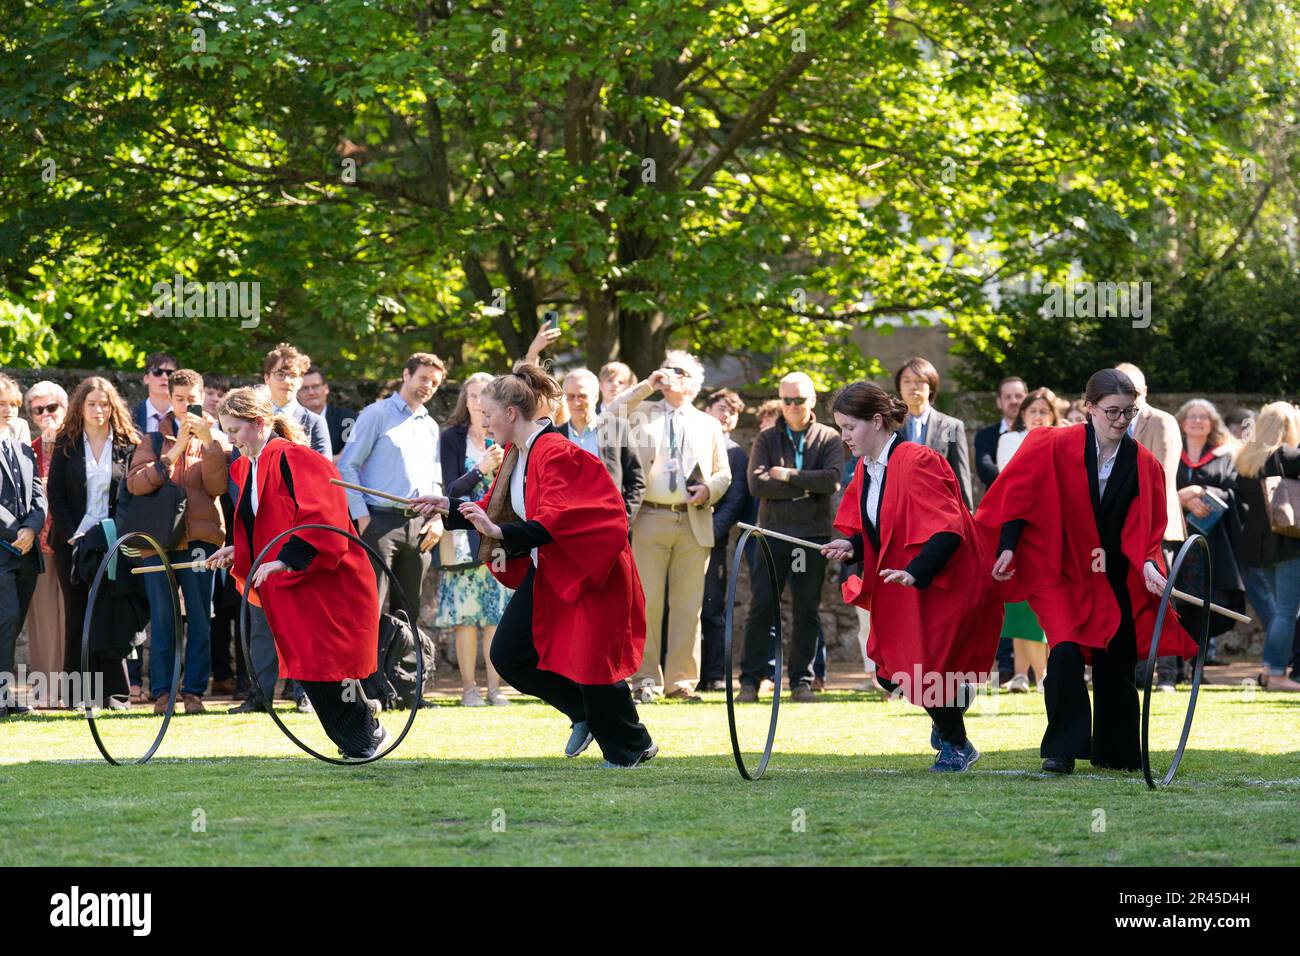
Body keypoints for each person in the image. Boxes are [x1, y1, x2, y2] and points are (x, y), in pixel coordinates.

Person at [411, 363, 657, 768]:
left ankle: (631, 748)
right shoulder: (517, 455)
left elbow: (559, 519)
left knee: (595, 664)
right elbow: (495, 508)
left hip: (590, 568)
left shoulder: (554, 452)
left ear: (511, 413)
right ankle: (585, 714)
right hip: (553, 569)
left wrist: (502, 533)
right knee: (510, 655)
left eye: (488, 414)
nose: (484, 422)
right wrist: (449, 508)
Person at [975, 369, 1198, 775]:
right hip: (1061, 569)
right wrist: (1007, 546)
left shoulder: (1143, 465)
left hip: (1114, 573)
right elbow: (1017, 497)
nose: (1120, 420)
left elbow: (1144, 527)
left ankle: (1116, 749)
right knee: (1063, 650)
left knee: (1117, 655)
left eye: (1128, 412)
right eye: (1111, 411)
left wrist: (1148, 564)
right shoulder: (1050, 444)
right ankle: (1062, 748)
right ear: (1088, 407)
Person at [820, 382, 1002, 771]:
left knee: (923, 668)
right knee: (892, 672)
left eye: (850, 427)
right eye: (840, 428)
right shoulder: (868, 468)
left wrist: (916, 572)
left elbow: (947, 529)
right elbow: (878, 525)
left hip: (942, 580)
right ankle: (954, 702)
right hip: (899, 584)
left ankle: (957, 745)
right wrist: (853, 545)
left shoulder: (918, 460)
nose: (844, 436)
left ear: (878, 420)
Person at [207, 388, 388, 758]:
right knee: (309, 664)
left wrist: (288, 559)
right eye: (225, 430)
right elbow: (262, 523)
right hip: (288, 583)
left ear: (260, 424)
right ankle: (363, 727)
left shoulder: (297, 459)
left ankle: (362, 738)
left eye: (235, 430)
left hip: (324, 577)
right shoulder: (246, 466)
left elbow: (322, 516)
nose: (230, 439)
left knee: (324, 663)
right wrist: (239, 551)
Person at [605, 351, 731, 702]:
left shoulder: (709, 423)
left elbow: (724, 472)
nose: (673, 375)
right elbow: (611, 414)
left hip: (693, 519)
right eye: (669, 369)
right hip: (650, 516)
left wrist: (709, 489)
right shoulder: (643, 412)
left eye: (681, 371)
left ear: (695, 383)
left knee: (689, 607)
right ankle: (645, 679)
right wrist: (648, 385)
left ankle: (681, 682)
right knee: (646, 604)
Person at [737, 372, 843, 703]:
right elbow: (758, 485)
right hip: (771, 535)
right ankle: (750, 682)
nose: (793, 406)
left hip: (811, 535)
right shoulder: (767, 439)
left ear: (812, 400)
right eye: (786, 400)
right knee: (762, 606)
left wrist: (786, 475)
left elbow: (832, 481)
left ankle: (802, 682)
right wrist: (806, 486)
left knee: (806, 609)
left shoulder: (829, 438)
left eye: (799, 400)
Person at [126, 370, 227, 714]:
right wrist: (176, 451)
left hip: (200, 537)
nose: (186, 406)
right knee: (163, 615)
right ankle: (163, 692)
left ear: (202, 396)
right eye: (180, 399)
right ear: (170, 398)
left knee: (199, 615)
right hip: (157, 540)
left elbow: (217, 488)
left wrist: (209, 443)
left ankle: (195, 691)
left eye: (192, 399)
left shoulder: (218, 439)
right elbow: (136, 485)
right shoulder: (152, 440)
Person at [47, 377, 145, 710]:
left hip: (111, 541)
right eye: (92, 404)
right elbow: (56, 496)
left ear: (112, 406)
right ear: (80, 406)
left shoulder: (128, 444)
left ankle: (115, 694)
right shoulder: (66, 443)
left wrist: (116, 533)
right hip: (72, 543)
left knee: (111, 614)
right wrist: (71, 532)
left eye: (104, 404)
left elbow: (132, 493)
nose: (98, 410)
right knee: (77, 617)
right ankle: (77, 695)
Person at [337, 353, 445, 618]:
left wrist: (437, 518)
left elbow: (435, 478)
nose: (428, 386)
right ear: (406, 375)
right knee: (368, 609)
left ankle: (404, 662)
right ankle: (367, 662)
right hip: (378, 522)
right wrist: (362, 517)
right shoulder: (375, 414)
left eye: (434, 382)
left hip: (420, 527)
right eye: (423, 378)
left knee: (409, 612)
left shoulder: (431, 426)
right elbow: (347, 466)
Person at [438, 372, 511, 706]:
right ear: (464, 400)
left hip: (498, 539)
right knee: (465, 618)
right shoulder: (452, 437)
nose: (478, 402)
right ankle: (469, 688)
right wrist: (481, 468)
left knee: (496, 615)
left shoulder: (506, 436)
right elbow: (451, 491)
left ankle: (495, 688)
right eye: (472, 395)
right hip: (463, 538)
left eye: (485, 395)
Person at [1115, 363, 1186, 691]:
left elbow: (1163, 476)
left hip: (1157, 525)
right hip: (1121, 528)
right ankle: (1137, 673)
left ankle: (1168, 676)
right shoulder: (1111, 421)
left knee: (1162, 596)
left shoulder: (1161, 421)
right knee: (1131, 598)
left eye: (1135, 389)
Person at [994, 387, 1058, 692]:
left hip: (1050, 528)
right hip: (1018, 524)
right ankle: (1028, 673)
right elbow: (1012, 481)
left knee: (1040, 606)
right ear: (1023, 414)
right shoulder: (1010, 440)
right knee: (1021, 604)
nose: (1038, 416)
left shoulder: (1061, 441)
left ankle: (1039, 673)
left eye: (1044, 411)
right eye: (1033, 411)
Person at [1234, 402, 1300, 691]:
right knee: (1287, 611)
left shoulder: (1248, 458)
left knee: (1280, 610)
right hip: (1287, 542)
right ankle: (1275, 674)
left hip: (1259, 546)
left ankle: (1267, 670)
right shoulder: (1288, 455)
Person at [1173, 399, 1244, 667]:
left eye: (1204, 417)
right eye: (1192, 416)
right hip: (1176, 541)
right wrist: (1183, 498)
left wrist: (1201, 492)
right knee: (1176, 604)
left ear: (1212, 423)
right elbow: (1159, 487)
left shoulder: (1223, 457)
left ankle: (1197, 667)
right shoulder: (1171, 453)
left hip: (1212, 545)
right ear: (1182, 421)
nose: (1198, 421)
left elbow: (1235, 493)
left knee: (1205, 608)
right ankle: (1175, 666)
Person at [698, 389, 753, 692]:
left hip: (713, 542)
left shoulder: (736, 454)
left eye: (733, 411)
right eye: (721, 408)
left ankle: (716, 675)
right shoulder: (686, 445)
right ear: (706, 410)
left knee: (712, 609)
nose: (726, 415)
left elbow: (735, 503)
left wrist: (708, 533)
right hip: (679, 537)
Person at [0, 375, 45, 716]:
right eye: (2, 403)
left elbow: (38, 493)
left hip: (26, 553)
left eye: (13, 404)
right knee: (7, 618)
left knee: (12, 625)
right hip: (4, 549)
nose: (9, 410)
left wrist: (32, 528)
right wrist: (19, 531)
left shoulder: (22, 448)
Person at [24, 381, 69, 693]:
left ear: (64, 408)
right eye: (38, 410)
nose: (46, 414)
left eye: (51, 407)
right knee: (41, 621)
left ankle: (74, 689)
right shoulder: (28, 450)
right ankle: (46, 692)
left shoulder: (78, 446)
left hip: (70, 539)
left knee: (71, 617)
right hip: (39, 543)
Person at [559, 368, 645, 525]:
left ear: (596, 396)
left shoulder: (618, 429)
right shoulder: (555, 436)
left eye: (582, 396)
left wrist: (623, 519)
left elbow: (636, 482)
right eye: (570, 397)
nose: (576, 402)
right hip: (567, 527)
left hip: (608, 525)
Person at [896, 357, 973, 510]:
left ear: (931, 386)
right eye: (906, 381)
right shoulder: (890, 428)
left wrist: (966, 513)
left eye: (919, 380)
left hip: (939, 510)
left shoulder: (949, 426)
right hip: (900, 511)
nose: (913, 386)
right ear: (899, 388)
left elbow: (959, 474)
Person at [260, 343, 331, 457]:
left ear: (300, 381)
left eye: (292, 375)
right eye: (280, 374)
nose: (287, 381)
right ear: (267, 378)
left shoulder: (315, 423)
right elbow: (238, 469)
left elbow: (323, 470)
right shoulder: (252, 419)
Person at [299, 365, 356, 464]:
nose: (311, 392)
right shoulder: (289, 421)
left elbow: (352, 454)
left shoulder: (346, 418)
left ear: (326, 388)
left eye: (315, 386)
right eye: (304, 388)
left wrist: (312, 463)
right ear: (297, 393)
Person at [132, 352, 179, 435]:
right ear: (146, 378)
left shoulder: (185, 417)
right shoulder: (132, 416)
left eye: (170, 373)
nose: (165, 377)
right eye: (157, 372)